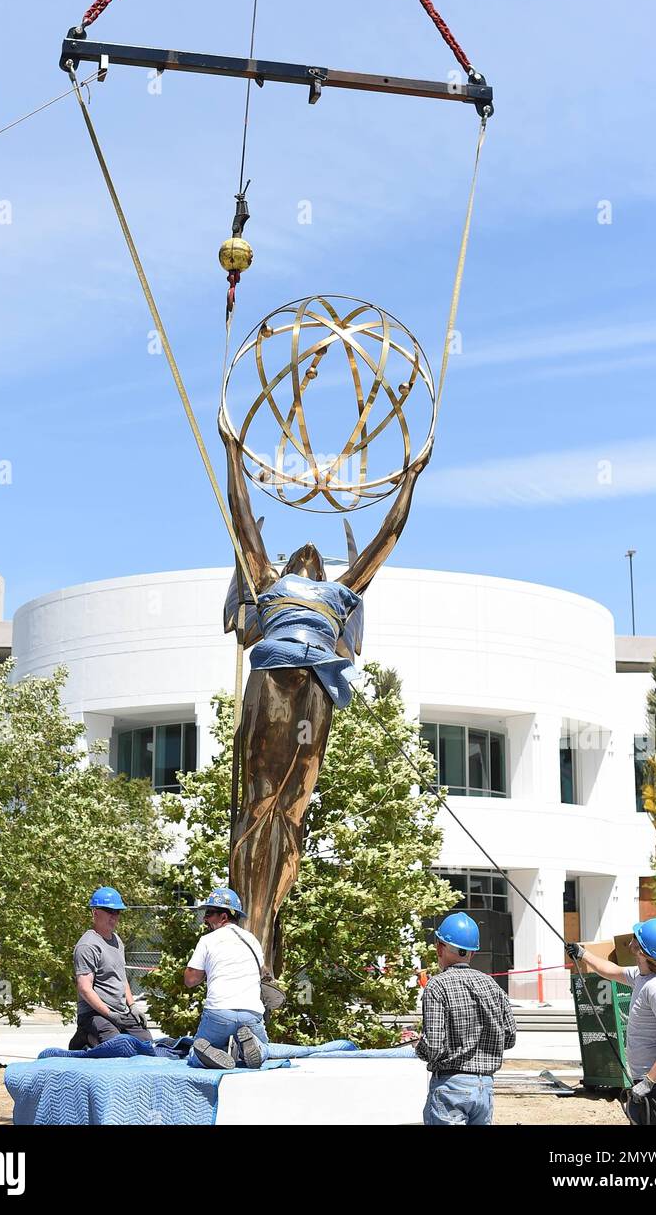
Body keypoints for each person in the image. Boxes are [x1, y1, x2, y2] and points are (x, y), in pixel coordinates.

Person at [220, 404, 432, 964]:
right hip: (270, 677)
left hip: (318, 684)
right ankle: (251, 932)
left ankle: (262, 941)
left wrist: (410, 479)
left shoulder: (342, 595)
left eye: (316, 557)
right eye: (298, 554)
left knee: (291, 807)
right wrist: (232, 454)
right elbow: (240, 520)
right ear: (285, 566)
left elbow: (387, 537)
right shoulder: (265, 581)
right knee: (260, 801)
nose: (309, 553)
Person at [567, 916, 656, 1125]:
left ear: (642, 950)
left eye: (635, 938)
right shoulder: (642, 976)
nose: (631, 941)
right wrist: (583, 954)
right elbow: (612, 971)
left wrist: (649, 1081)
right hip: (647, 1083)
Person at [415, 912, 517, 1126]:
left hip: (451, 1087)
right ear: (471, 953)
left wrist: (419, 1047)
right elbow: (509, 1037)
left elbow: (434, 1046)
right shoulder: (492, 985)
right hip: (484, 1088)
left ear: (440, 948)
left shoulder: (437, 986)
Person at [184, 887, 270, 1070]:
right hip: (250, 1012)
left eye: (209, 913)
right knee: (265, 1048)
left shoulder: (208, 940)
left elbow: (190, 980)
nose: (205, 919)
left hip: (219, 1012)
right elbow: (263, 971)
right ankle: (257, 1050)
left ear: (223, 917)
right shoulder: (252, 940)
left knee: (195, 1053)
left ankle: (210, 1053)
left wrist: (209, 970)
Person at [73, 887, 152, 1047]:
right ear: (95, 913)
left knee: (146, 1045)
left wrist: (133, 1006)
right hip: (94, 1014)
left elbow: (121, 978)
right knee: (118, 1047)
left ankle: (114, 1033)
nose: (114, 916)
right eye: (109, 911)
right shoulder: (87, 945)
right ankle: (85, 1037)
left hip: (120, 1012)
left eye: (117, 912)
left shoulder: (117, 941)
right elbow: (85, 988)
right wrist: (110, 1014)